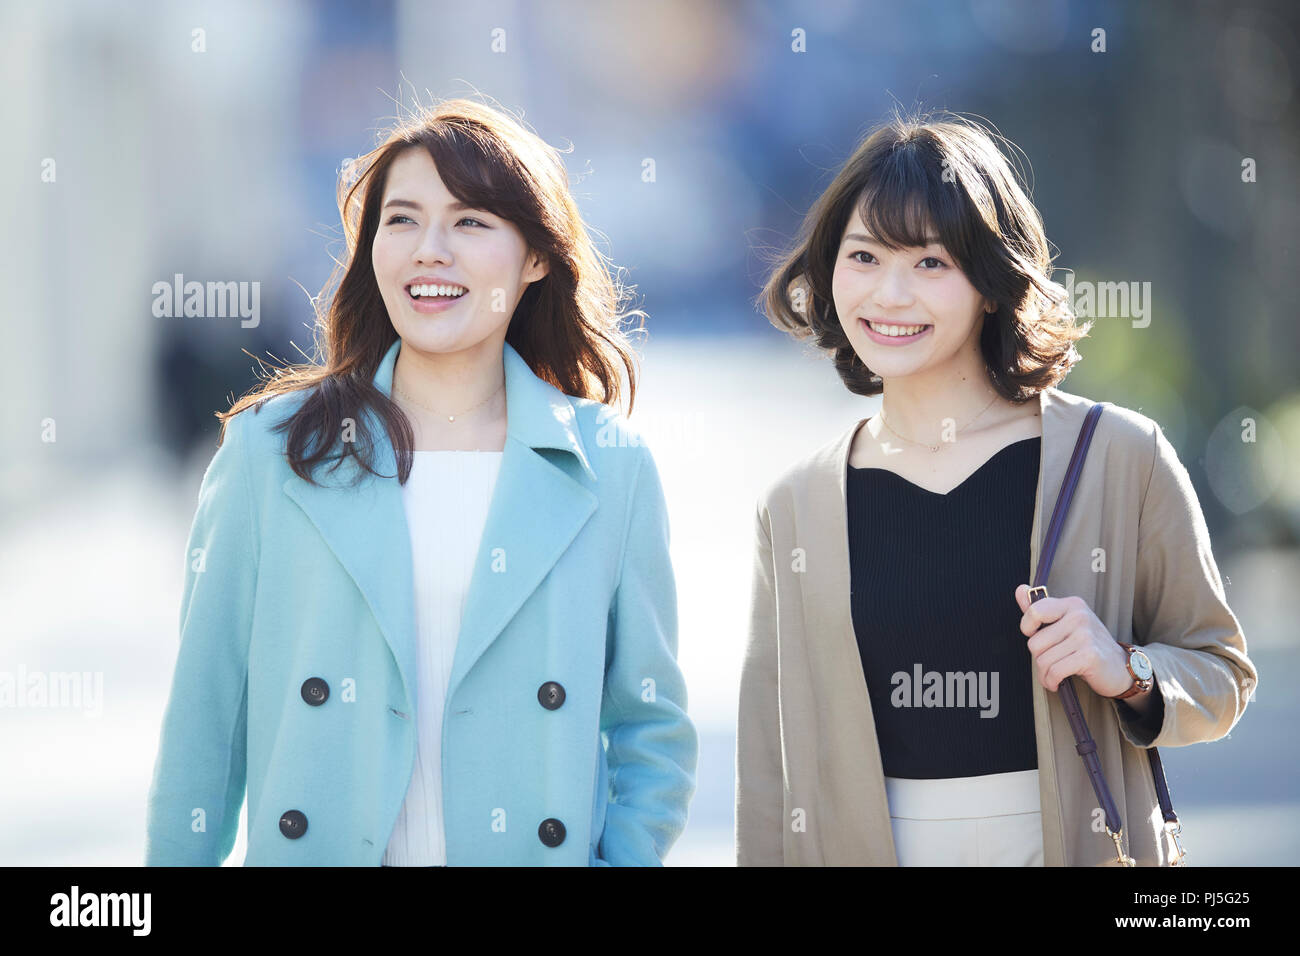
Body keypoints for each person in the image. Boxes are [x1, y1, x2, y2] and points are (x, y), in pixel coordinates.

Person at [145, 97, 697, 866]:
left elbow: (652, 727)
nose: (428, 250)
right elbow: (207, 721)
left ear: (536, 258)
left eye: (470, 222)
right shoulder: (270, 452)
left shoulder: (610, 466)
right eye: (400, 220)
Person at [736, 109, 1257, 866]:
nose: (889, 295)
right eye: (864, 256)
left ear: (991, 281)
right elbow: (767, 772)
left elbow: (1222, 674)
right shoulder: (795, 505)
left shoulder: (1117, 456)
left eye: (930, 263)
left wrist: (1126, 668)